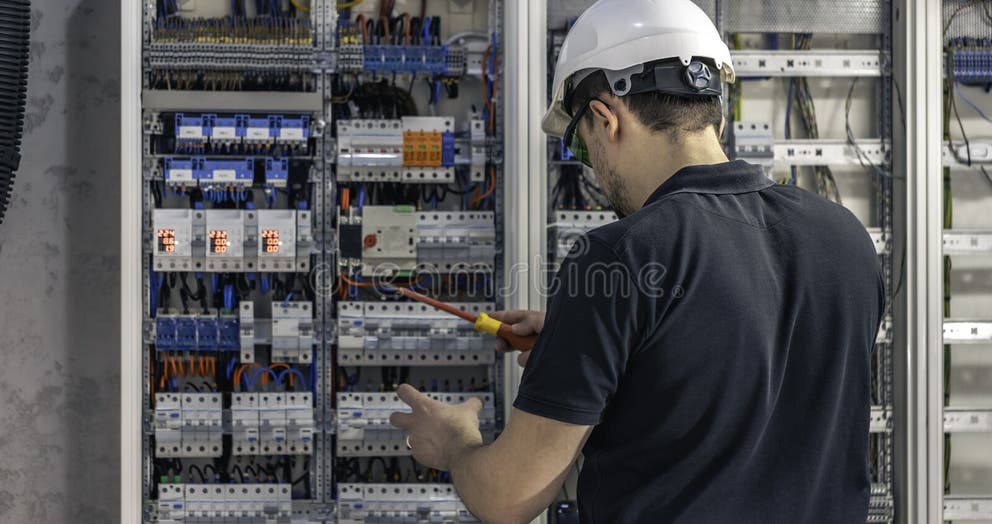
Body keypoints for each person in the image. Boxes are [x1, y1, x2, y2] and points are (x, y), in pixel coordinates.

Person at [389, 0, 885, 521]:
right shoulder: (845, 238)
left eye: (583, 150)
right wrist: (589, 344)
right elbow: (740, 372)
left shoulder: (618, 255)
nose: (595, 173)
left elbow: (505, 497)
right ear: (715, 107)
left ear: (605, 119)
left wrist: (454, 443)